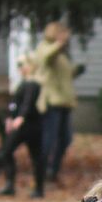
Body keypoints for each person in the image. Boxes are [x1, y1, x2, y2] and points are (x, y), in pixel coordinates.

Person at [0, 54, 45, 198]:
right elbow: (15, 103)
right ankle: (10, 184)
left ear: (30, 66)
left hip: (30, 125)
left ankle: (38, 188)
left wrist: (20, 118)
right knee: (7, 151)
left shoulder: (33, 83)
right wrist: (10, 118)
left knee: (34, 156)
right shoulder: (23, 83)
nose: (20, 68)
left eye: (22, 64)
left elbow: (28, 103)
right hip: (23, 123)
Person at [35, 22, 77, 184]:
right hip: (52, 101)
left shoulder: (61, 55)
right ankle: (43, 172)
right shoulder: (45, 48)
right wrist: (59, 43)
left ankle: (53, 170)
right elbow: (46, 58)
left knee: (65, 139)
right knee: (49, 139)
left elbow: (66, 75)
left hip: (64, 102)